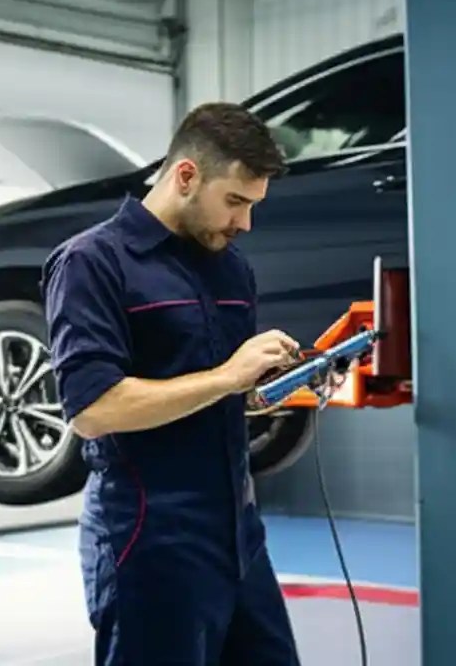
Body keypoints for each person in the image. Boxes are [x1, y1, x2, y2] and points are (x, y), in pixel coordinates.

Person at [41, 102, 303, 665]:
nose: (244, 224)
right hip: (148, 535)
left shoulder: (232, 267)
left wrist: (266, 389)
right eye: (235, 202)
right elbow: (93, 409)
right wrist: (227, 376)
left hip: (238, 534)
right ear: (186, 175)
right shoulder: (92, 263)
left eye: (253, 206)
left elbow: (219, 392)